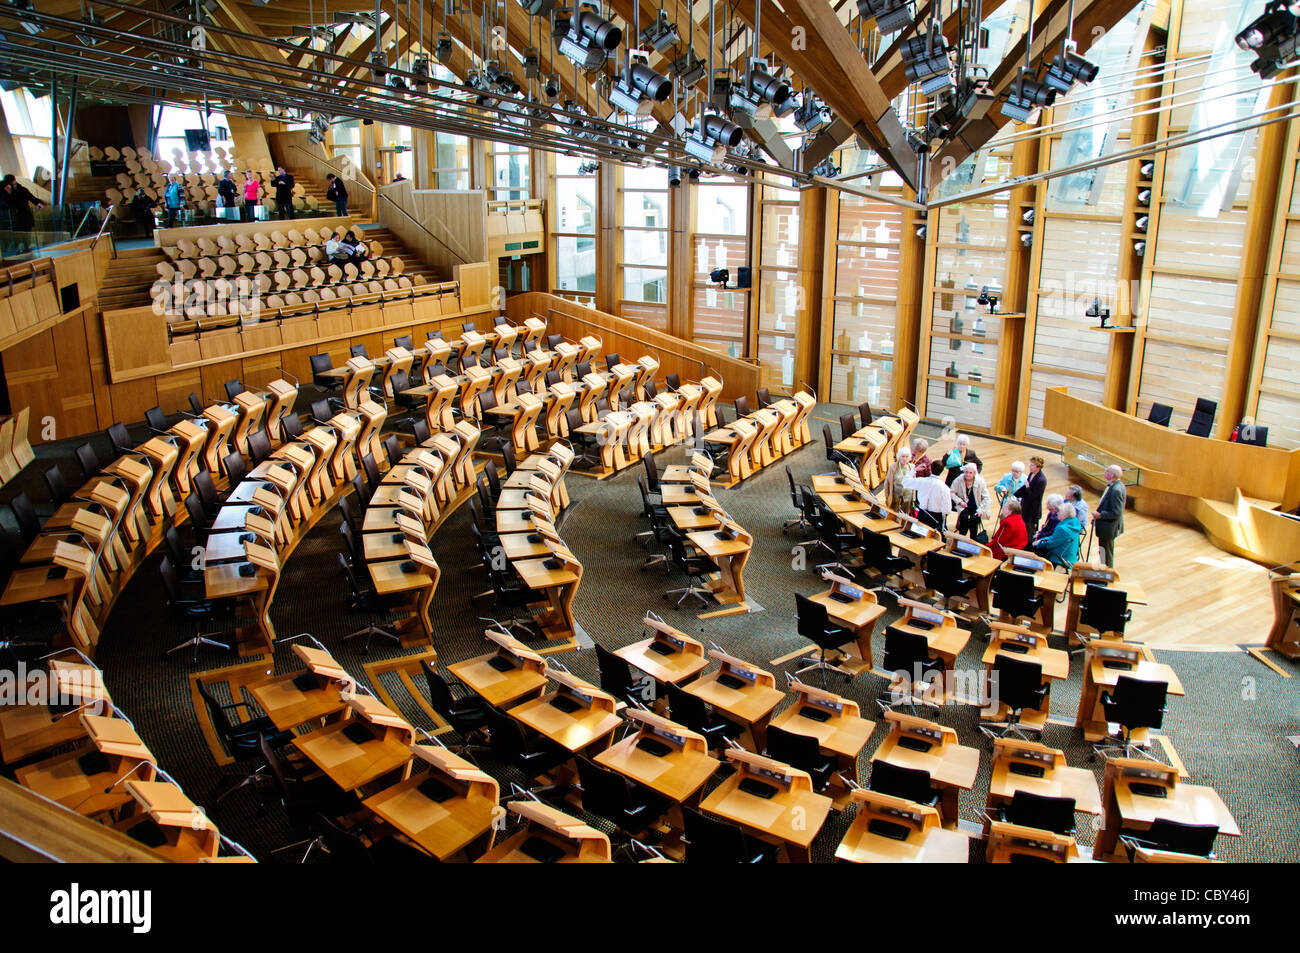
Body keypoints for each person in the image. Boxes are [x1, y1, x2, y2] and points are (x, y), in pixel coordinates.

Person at [1093, 464, 1126, 568]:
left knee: (1106, 553)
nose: (1105, 473)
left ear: (1112, 475)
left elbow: (1117, 512)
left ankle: (1106, 573)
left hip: (1108, 527)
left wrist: (1100, 515)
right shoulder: (1115, 485)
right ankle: (1104, 570)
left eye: (1107, 471)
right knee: (1103, 551)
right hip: (1106, 526)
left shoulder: (1116, 490)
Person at [950, 462, 993, 539]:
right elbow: (952, 492)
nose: (968, 475)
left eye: (970, 473)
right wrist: (960, 501)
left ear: (974, 473)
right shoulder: (959, 480)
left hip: (977, 506)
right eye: (966, 472)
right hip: (964, 506)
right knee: (964, 518)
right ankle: (961, 538)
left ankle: (973, 539)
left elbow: (986, 498)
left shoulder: (980, 482)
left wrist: (980, 510)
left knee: (974, 520)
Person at [1035, 502, 1082, 569]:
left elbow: (1050, 544)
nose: (1057, 513)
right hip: (1070, 558)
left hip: (1060, 560)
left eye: (1059, 512)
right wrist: (1041, 540)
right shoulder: (1074, 523)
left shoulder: (1063, 529)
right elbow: (1053, 538)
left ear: (1065, 515)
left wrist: (1039, 543)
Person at [1015, 455, 1047, 536]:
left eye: (1032, 465)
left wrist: (1028, 487)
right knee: (1022, 526)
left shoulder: (1042, 480)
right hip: (1025, 505)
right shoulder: (1031, 474)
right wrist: (1017, 494)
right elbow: (1025, 486)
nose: (1030, 466)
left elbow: (1034, 496)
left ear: (1038, 467)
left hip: (1032, 509)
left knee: (1029, 529)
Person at [888, 446, 915, 515]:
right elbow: (888, 482)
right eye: (903, 456)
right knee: (893, 512)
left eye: (906, 456)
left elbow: (914, 482)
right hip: (896, 493)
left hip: (908, 494)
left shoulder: (912, 467)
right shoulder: (893, 466)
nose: (905, 458)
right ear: (899, 457)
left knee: (906, 514)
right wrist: (888, 495)